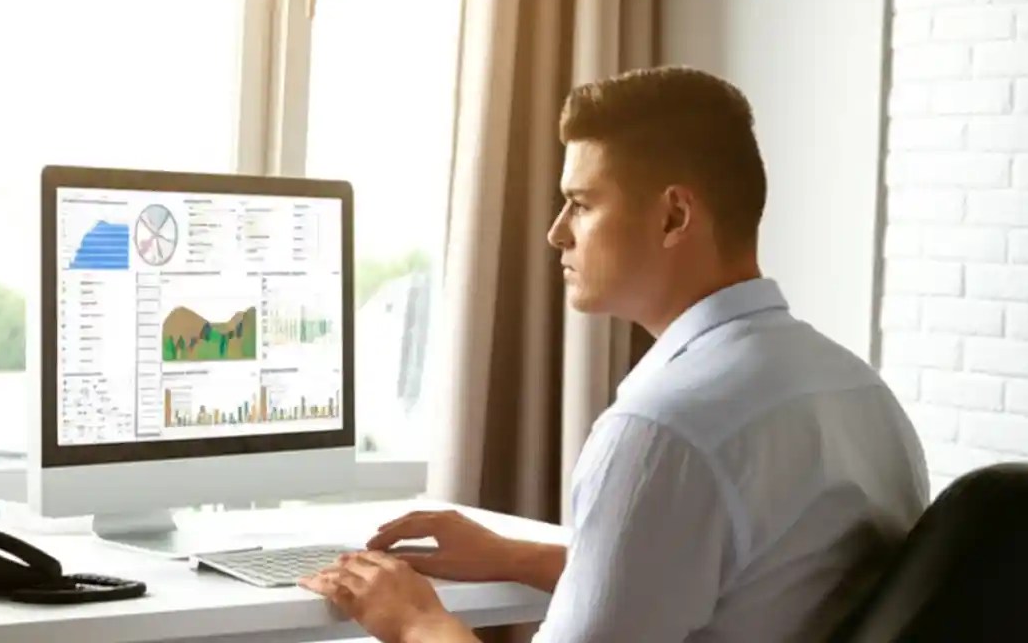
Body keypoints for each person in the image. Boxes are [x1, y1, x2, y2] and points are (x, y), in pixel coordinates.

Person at [299, 66, 929, 642]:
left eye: (581, 203)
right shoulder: (859, 392)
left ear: (674, 217)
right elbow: (754, 586)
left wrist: (415, 620)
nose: (557, 232)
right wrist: (514, 556)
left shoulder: (664, 429)